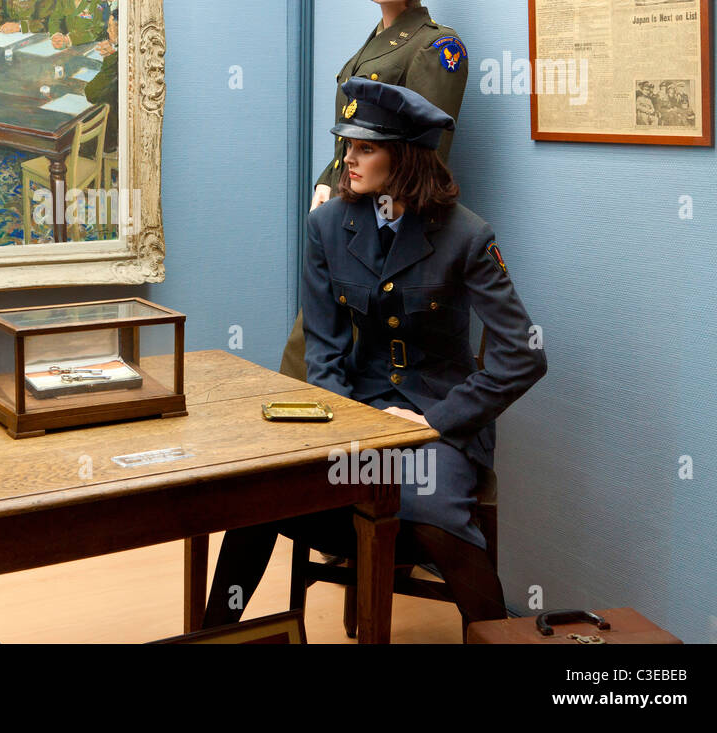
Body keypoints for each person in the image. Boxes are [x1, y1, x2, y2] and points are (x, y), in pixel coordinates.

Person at [204, 78, 547, 631]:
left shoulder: (466, 236)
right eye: (347, 145)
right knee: (258, 494)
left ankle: (497, 635)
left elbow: (523, 356)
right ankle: (215, 635)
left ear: (405, 158)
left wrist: (435, 421)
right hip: (354, 407)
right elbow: (326, 349)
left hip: (438, 417)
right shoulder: (327, 227)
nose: (348, 159)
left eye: (366, 148)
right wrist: (347, 429)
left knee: (431, 509)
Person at [280, 0, 469, 382]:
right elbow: (354, 136)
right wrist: (330, 182)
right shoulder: (372, 46)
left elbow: (428, 149)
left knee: (363, 357)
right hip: (350, 209)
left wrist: (384, 216)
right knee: (316, 346)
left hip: (393, 223)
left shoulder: (436, 46)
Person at [83, 11, 120, 156]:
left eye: (111, 28)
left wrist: (111, 56)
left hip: (110, 133)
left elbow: (91, 93)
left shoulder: (116, 61)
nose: (108, 31)